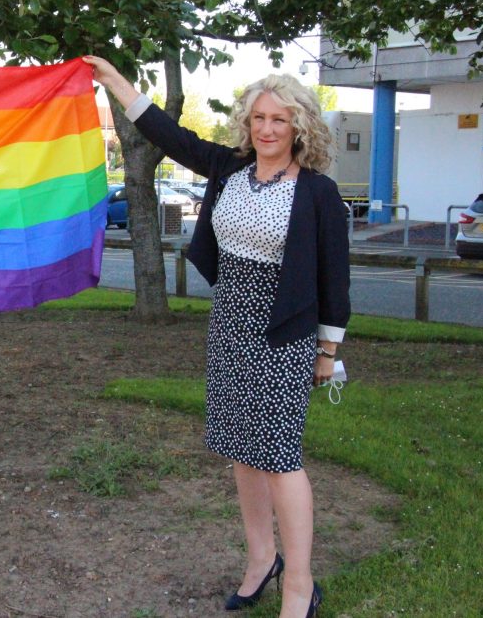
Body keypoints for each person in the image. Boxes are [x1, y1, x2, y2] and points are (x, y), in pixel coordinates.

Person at [83, 56, 349, 618]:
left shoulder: (319, 192)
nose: (267, 129)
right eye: (258, 118)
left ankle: (299, 584)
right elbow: (168, 134)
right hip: (230, 322)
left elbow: (333, 275)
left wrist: (328, 350)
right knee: (239, 449)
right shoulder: (229, 169)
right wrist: (116, 84)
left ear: (299, 126)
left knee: (278, 453)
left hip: (286, 330)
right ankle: (261, 562)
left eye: (280, 119)